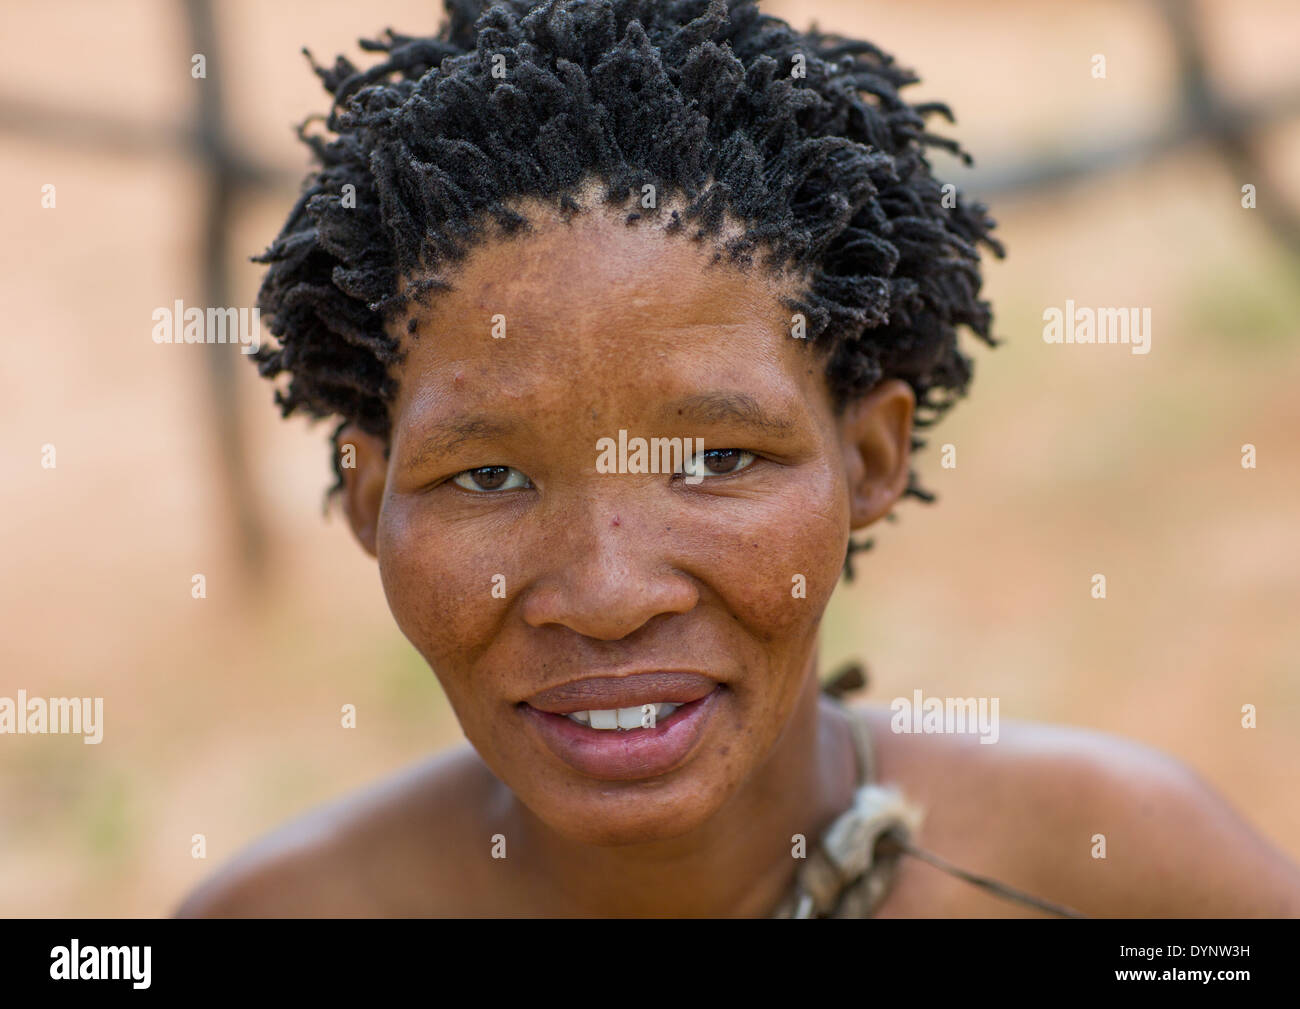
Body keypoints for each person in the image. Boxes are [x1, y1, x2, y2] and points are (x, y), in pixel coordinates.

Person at [176, 0, 1300, 917]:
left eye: (716, 457)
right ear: (370, 499)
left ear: (867, 456)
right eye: (487, 476)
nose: (608, 596)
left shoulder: (1116, 871)